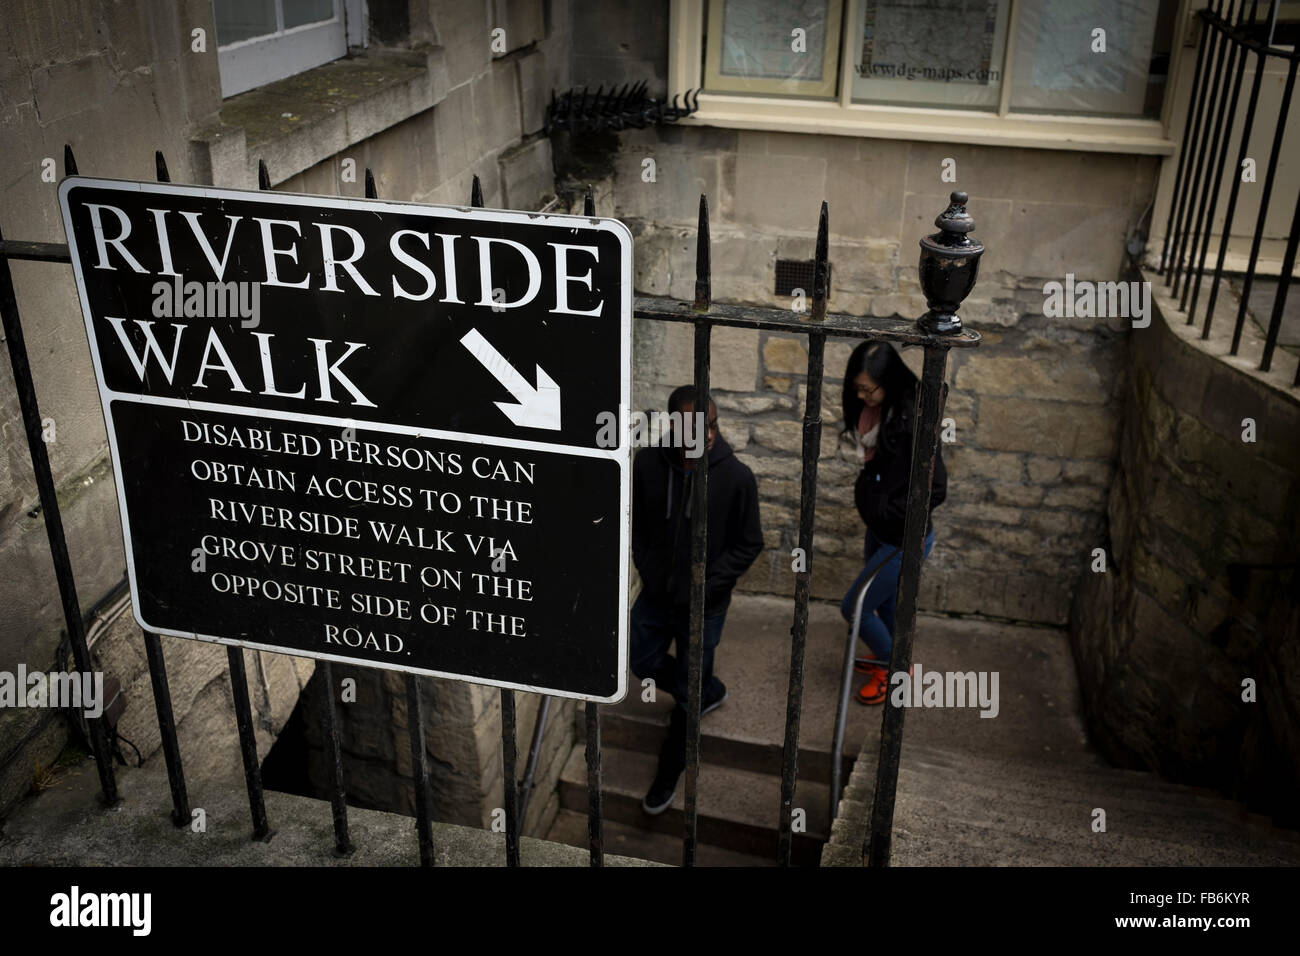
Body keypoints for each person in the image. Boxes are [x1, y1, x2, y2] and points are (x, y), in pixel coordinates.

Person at [630, 385, 763, 814]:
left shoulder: (737, 477)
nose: (706, 436)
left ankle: (669, 771)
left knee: (686, 695)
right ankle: (708, 688)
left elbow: (750, 544)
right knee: (639, 658)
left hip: (706, 603)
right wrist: (650, 572)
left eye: (711, 425)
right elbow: (639, 527)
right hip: (656, 595)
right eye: (694, 427)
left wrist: (707, 582)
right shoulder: (648, 462)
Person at [839, 341, 947, 705]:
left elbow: (937, 487)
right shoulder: (881, 414)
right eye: (857, 387)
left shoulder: (913, 422)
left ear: (891, 382)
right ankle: (888, 655)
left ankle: (896, 669)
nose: (860, 395)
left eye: (868, 389)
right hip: (880, 530)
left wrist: (889, 513)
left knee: (855, 607)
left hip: (901, 538)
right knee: (883, 605)